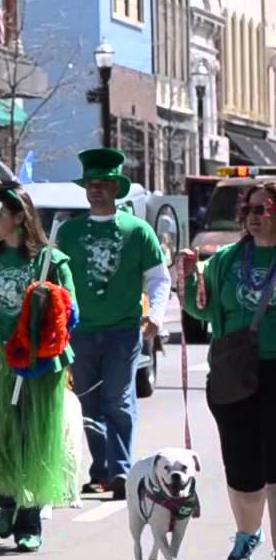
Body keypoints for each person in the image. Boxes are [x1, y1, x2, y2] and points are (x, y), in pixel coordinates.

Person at [0, 185, 77, 552]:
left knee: (31, 439)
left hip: (36, 365)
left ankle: (29, 518)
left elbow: (70, 314)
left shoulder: (52, 261)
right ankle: (5, 498)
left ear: (20, 217)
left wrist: (48, 302)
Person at [56, 148, 169, 500]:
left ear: (116, 188)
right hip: (81, 332)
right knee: (89, 403)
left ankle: (121, 471)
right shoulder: (68, 232)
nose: (96, 189)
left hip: (123, 330)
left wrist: (156, 315)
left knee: (118, 400)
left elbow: (158, 278)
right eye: (91, 183)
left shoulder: (139, 231)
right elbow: (53, 281)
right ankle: (101, 470)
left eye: (103, 183)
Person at [181, 182, 276, 560]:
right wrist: (188, 282)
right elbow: (204, 311)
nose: (254, 216)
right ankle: (247, 533)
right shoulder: (227, 260)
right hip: (235, 371)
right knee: (242, 463)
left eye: (264, 208)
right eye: (249, 209)